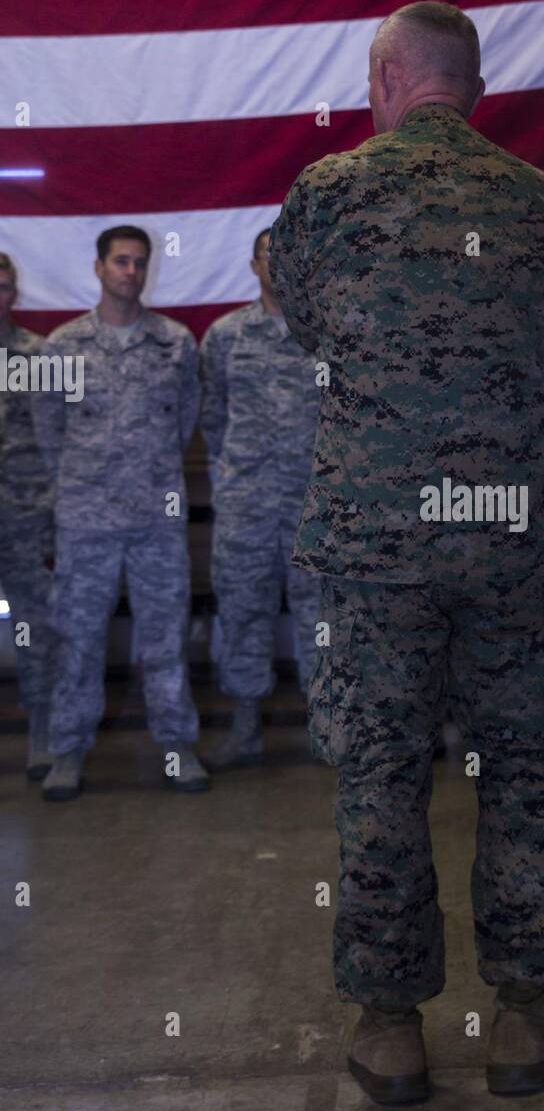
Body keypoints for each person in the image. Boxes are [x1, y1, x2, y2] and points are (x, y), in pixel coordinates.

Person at [268, 0, 544, 1105]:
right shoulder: (542, 204)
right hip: (512, 540)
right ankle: (524, 1016)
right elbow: (542, 331)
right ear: (473, 86)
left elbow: (313, 325)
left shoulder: (327, 194)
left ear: (385, 82)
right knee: (529, 772)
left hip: (378, 544)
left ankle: (393, 1025)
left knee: (380, 775)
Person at [31, 226, 207, 801]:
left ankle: (178, 749)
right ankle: (67, 753)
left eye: (139, 262)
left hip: (157, 520)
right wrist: (83, 486)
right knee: (77, 639)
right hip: (86, 521)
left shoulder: (175, 343)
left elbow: (184, 421)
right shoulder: (60, 347)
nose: (130, 272)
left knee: (165, 638)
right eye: (120, 261)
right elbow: (47, 428)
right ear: (99, 267)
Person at [199, 228, 324, 770]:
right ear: (253, 266)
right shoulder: (225, 337)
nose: (277, 264)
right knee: (243, 614)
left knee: (321, 620)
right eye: (268, 255)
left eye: (287, 254)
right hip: (247, 507)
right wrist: (233, 477)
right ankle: (245, 728)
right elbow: (209, 416)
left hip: (313, 508)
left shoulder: (327, 335)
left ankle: (326, 731)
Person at [0, 252, 55, 780]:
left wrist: (50, 509)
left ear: (14, 293)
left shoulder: (38, 357)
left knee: (33, 628)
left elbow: (56, 439)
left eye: (2, 286)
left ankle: (43, 731)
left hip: (22, 514)